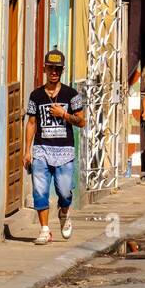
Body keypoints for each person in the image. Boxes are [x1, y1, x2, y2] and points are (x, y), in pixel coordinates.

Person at [23, 49, 85, 245]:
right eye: (51, 68)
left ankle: (64, 212)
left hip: (64, 151)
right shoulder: (36, 95)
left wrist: (64, 115)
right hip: (41, 149)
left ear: (62, 70)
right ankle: (44, 230)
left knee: (65, 192)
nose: (54, 72)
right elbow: (31, 123)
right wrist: (27, 151)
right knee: (40, 190)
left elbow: (82, 122)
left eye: (57, 68)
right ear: (44, 69)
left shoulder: (71, 94)